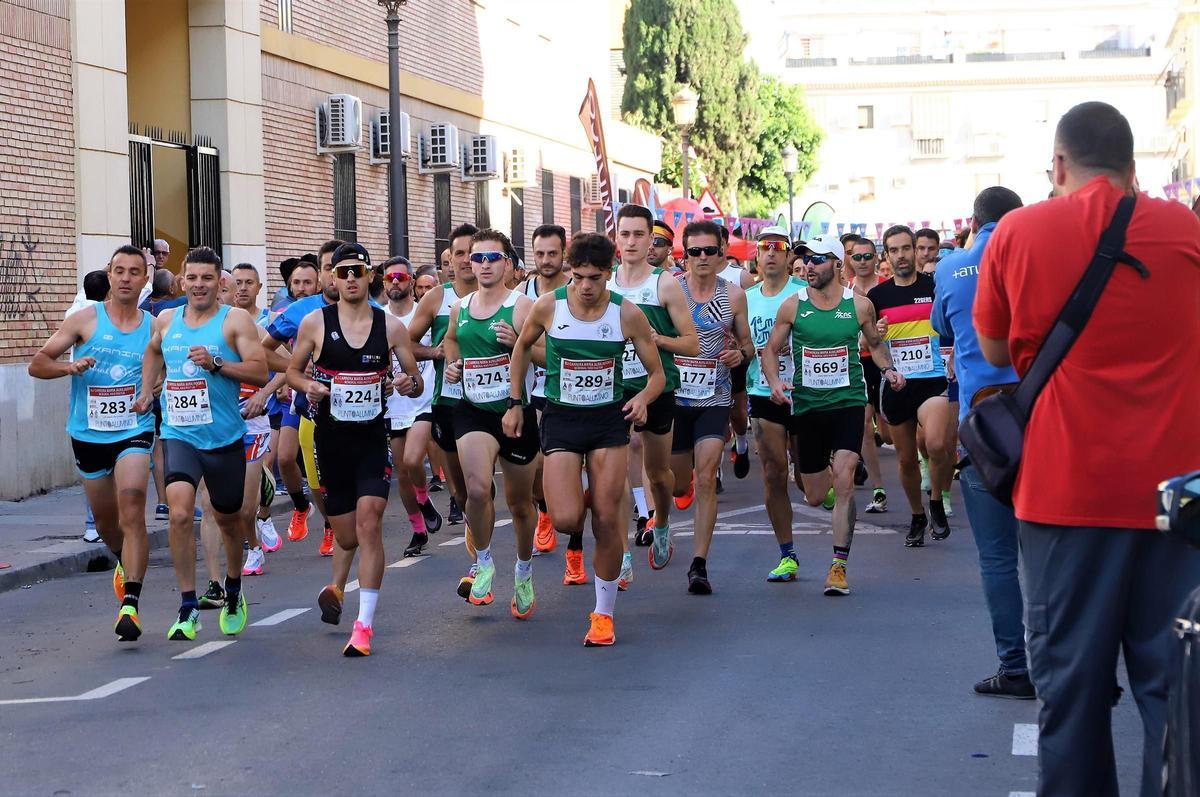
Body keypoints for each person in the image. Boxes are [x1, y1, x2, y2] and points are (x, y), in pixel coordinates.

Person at [975, 101, 1200, 796]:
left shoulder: (1019, 230)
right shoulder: (1186, 230)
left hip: (1065, 493)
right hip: (1176, 498)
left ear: (1058, 165)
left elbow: (993, 350)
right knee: (1175, 689)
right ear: (1133, 169)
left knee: (1071, 691)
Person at [505, 232, 664, 645]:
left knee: (608, 520)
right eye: (578, 277)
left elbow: (657, 374)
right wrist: (515, 403)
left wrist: (643, 399)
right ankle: (594, 493)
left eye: (595, 277)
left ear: (609, 273)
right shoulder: (549, 305)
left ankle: (603, 615)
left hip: (607, 421)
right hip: (562, 419)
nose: (586, 286)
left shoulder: (626, 313)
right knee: (567, 520)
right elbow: (521, 350)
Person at [287, 243, 419, 655]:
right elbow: (292, 372)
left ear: (369, 276)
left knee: (369, 524)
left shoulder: (390, 327)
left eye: (357, 272)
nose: (349, 279)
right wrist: (308, 385)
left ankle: (364, 625)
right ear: (332, 278)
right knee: (346, 534)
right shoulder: (315, 323)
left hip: (371, 440)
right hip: (330, 442)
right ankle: (341, 588)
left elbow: (415, 379)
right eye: (342, 272)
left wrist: (406, 383)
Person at [929, 184, 1033, 699]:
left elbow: (941, 328)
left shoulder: (950, 268)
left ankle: (1014, 667)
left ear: (973, 223)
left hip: (985, 427)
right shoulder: (1038, 262)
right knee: (1052, 555)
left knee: (996, 558)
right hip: (1042, 421)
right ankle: (1066, 663)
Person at [135, 246, 268, 641]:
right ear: (181, 280)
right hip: (179, 433)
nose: (198, 285)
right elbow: (153, 351)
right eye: (192, 278)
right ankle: (187, 604)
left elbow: (259, 372)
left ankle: (233, 589)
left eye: (207, 278)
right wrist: (146, 390)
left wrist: (217, 364)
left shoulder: (235, 320)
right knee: (179, 513)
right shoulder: (166, 320)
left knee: (228, 519)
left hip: (224, 437)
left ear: (218, 281)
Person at [763, 234, 904, 595]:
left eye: (818, 259)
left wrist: (889, 369)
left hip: (848, 403)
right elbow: (770, 350)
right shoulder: (792, 306)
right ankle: (822, 475)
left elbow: (875, 344)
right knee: (814, 494)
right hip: (808, 407)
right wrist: (775, 382)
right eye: (806, 259)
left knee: (844, 480)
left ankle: (838, 567)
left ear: (837, 263)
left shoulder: (859, 306)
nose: (809, 266)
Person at [30, 247, 153, 641]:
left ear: (145, 279)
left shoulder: (155, 328)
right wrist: (69, 366)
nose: (126, 278)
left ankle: (130, 604)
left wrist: (152, 391)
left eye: (134, 272)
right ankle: (123, 559)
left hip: (134, 428)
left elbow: (167, 371)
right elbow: (38, 363)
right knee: (106, 523)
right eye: (119, 271)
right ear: (109, 275)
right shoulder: (84, 319)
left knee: (132, 504)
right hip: (88, 433)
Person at [443, 229, 540, 615]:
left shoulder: (522, 306)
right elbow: (452, 339)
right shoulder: (460, 307)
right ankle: (483, 563)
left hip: (515, 410)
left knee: (520, 504)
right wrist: (453, 365)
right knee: (478, 490)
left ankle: (524, 569)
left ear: (508, 264)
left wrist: (518, 342)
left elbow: (549, 354)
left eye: (492, 258)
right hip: (472, 409)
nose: (482, 265)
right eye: (477, 258)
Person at [609, 204, 699, 578]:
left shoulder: (664, 284)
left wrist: (655, 339)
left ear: (650, 240)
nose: (631, 242)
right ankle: (621, 554)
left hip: (657, 387)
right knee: (612, 475)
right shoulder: (605, 284)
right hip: (613, 390)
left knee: (660, 474)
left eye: (638, 235)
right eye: (624, 234)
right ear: (616, 238)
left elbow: (692, 343)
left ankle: (661, 522)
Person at [671, 220, 753, 595]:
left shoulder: (733, 295)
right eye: (695, 251)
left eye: (710, 250)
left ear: (721, 253)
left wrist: (740, 354)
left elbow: (747, 345)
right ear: (684, 254)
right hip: (675, 399)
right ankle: (676, 490)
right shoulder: (671, 291)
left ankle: (698, 564)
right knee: (677, 483)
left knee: (706, 477)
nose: (702, 257)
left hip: (715, 397)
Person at [868, 226, 953, 547]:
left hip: (932, 379)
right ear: (886, 256)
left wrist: (955, 354)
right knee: (905, 459)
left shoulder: (934, 287)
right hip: (897, 383)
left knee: (936, 444)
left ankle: (936, 500)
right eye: (894, 250)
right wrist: (875, 334)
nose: (901, 255)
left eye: (906, 248)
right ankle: (918, 515)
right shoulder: (878, 296)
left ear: (916, 250)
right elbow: (866, 343)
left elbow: (954, 323)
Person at [406, 223, 479, 592]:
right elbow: (406, 344)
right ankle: (475, 529)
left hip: (493, 404)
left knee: (485, 486)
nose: (465, 260)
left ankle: (486, 561)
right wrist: (435, 352)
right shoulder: (436, 299)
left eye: (472, 253)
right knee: (463, 491)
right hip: (449, 402)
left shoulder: (505, 298)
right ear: (448, 260)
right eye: (458, 254)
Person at [262, 241, 344, 557]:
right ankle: (320, 517)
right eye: (329, 268)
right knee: (297, 465)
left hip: (353, 407)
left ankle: (342, 526)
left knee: (342, 472)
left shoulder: (370, 310)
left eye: (343, 268)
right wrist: (295, 369)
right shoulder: (300, 311)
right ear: (322, 274)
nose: (336, 276)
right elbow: (264, 350)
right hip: (307, 401)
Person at [742, 227, 807, 582]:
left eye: (777, 247)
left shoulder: (803, 292)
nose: (770, 253)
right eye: (764, 247)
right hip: (762, 391)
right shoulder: (746, 298)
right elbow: (740, 342)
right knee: (773, 472)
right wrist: (738, 353)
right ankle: (787, 554)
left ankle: (819, 481)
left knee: (809, 484)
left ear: (788, 255)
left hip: (806, 390)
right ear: (756, 255)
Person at [380, 256, 442, 558]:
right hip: (394, 405)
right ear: (382, 283)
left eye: (401, 278)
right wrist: (384, 381)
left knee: (413, 459)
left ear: (411, 281)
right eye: (390, 278)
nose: (395, 282)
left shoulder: (423, 313)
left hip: (424, 398)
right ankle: (418, 528)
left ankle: (422, 495)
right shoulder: (377, 318)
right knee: (402, 472)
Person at [523, 224, 570, 555]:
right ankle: (544, 510)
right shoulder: (522, 292)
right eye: (540, 253)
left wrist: (528, 347)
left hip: (571, 390)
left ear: (564, 253)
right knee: (537, 464)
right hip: (535, 388)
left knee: (571, 471)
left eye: (553, 253)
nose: (546, 260)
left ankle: (575, 545)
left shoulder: (577, 289)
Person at [845, 237, 888, 514]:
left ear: (876, 258)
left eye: (867, 256)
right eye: (856, 257)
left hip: (885, 362)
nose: (862, 262)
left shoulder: (887, 287)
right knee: (864, 425)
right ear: (850, 260)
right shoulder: (845, 290)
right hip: (858, 362)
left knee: (889, 433)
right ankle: (879, 489)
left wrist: (882, 332)